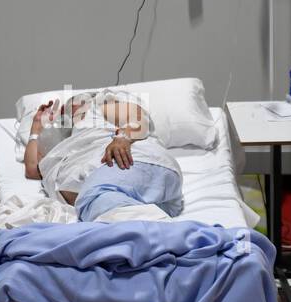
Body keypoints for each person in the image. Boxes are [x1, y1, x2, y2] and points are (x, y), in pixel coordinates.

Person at [24, 90, 184, 223]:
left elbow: (138, 119)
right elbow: (32, 169)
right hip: (130, 200)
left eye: (73, 104)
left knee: (99, 200)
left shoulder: (96, 110)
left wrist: (123, 138)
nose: (66, 109)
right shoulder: (64, 149)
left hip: (131, 162)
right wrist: (36, 127)